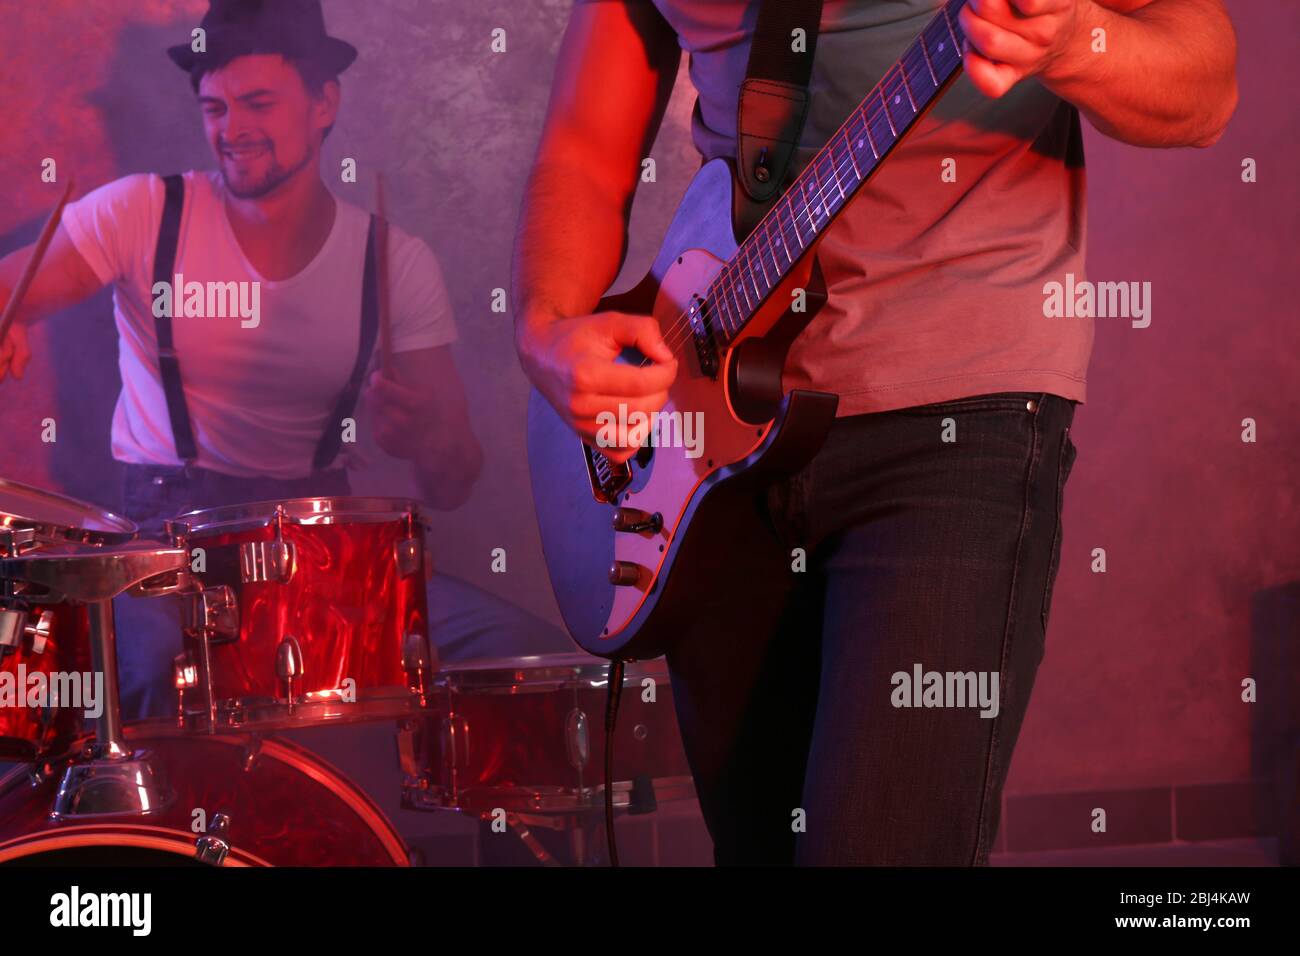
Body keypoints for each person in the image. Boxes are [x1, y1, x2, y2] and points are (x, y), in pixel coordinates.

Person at [512, 0, 1237, 864]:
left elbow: (1206, 85)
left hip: (958, 406)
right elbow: (585, 154)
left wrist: (1076, 40)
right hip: (708, 443)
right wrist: (547, 327)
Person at [0, 0, 570, 722]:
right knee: (131, 677)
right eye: (215, 107)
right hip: (164, 557)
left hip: (326, 557)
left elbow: (455, 477)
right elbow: (8, 288)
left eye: (258, 103)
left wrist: (426, 435)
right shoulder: (143, 213)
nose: (231, 130)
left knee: (520, 656)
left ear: (324, 102)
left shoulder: (392, 261)